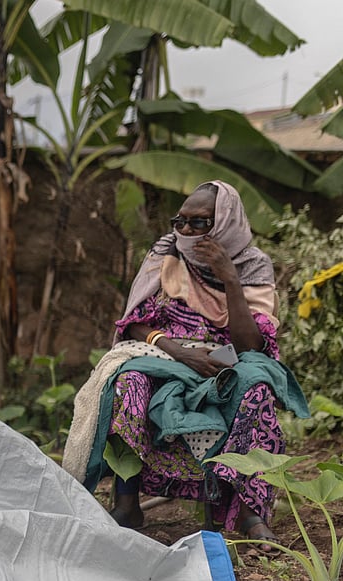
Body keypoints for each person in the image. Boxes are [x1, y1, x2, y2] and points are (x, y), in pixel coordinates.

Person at [63, 181, 308, 548]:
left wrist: (229, 277)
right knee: (128, 380)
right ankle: (127, 504)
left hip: (226, 358)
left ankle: (249, 512)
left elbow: (252, 344)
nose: (187, 231)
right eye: (180, 222)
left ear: (225, 222)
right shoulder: (166, 252)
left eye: (200, 223)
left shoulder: (253, 264)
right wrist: (179, 352)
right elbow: (134, 322)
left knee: (256, 385)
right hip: (167, 352)